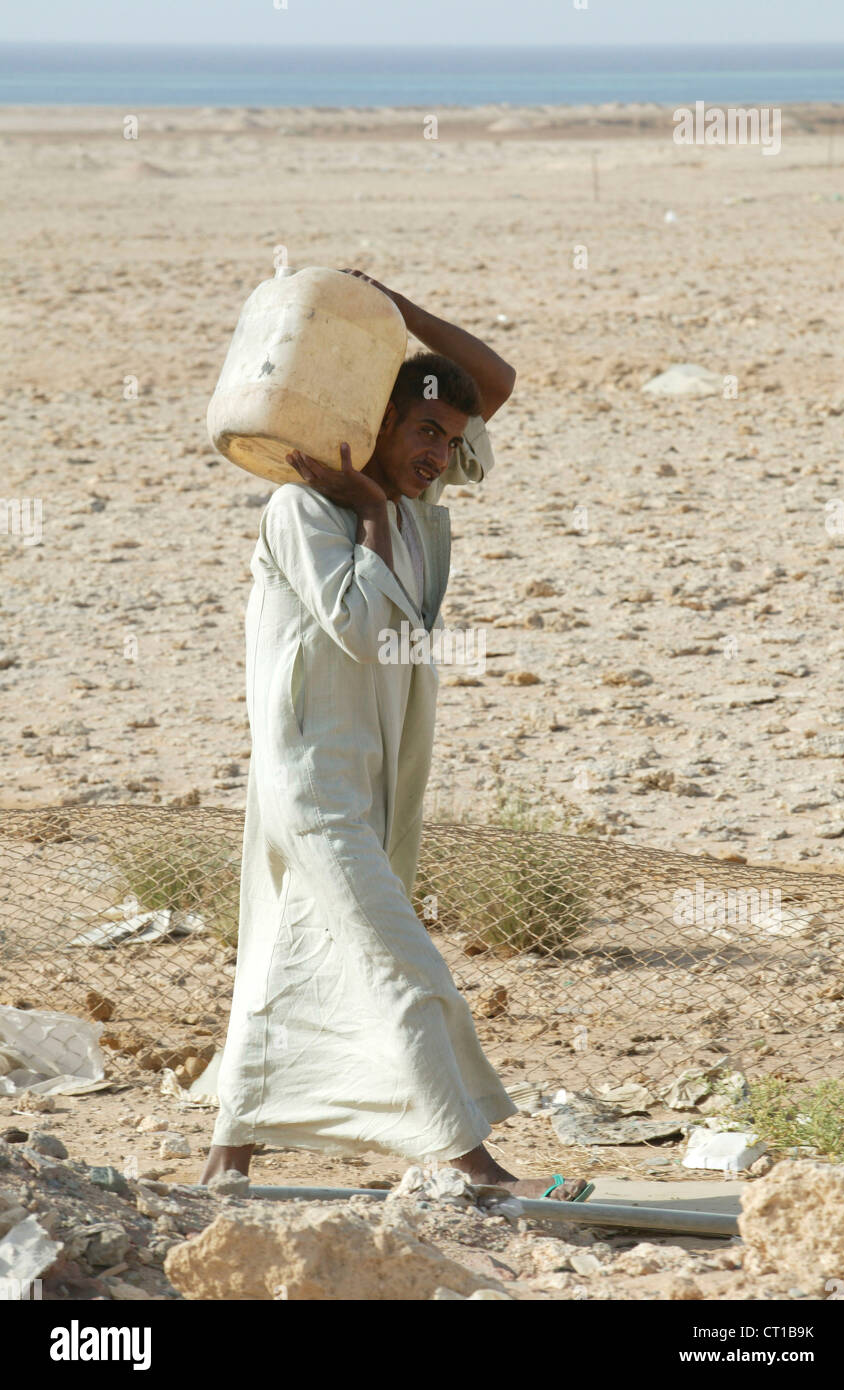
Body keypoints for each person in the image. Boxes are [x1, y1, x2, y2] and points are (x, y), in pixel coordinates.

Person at [201, 272, 591, 1201]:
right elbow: (368, 631)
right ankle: (465, 1155)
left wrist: (398, 315)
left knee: (291, 952)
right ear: (371, 422)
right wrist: (367, 508)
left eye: (451, 444)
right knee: (397, 958)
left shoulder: (415, 509)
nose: (442, 454)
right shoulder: (306, 513)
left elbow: (492, 381)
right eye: (425, 432)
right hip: (313, 786)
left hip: (373, 783)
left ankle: (227, 1155)